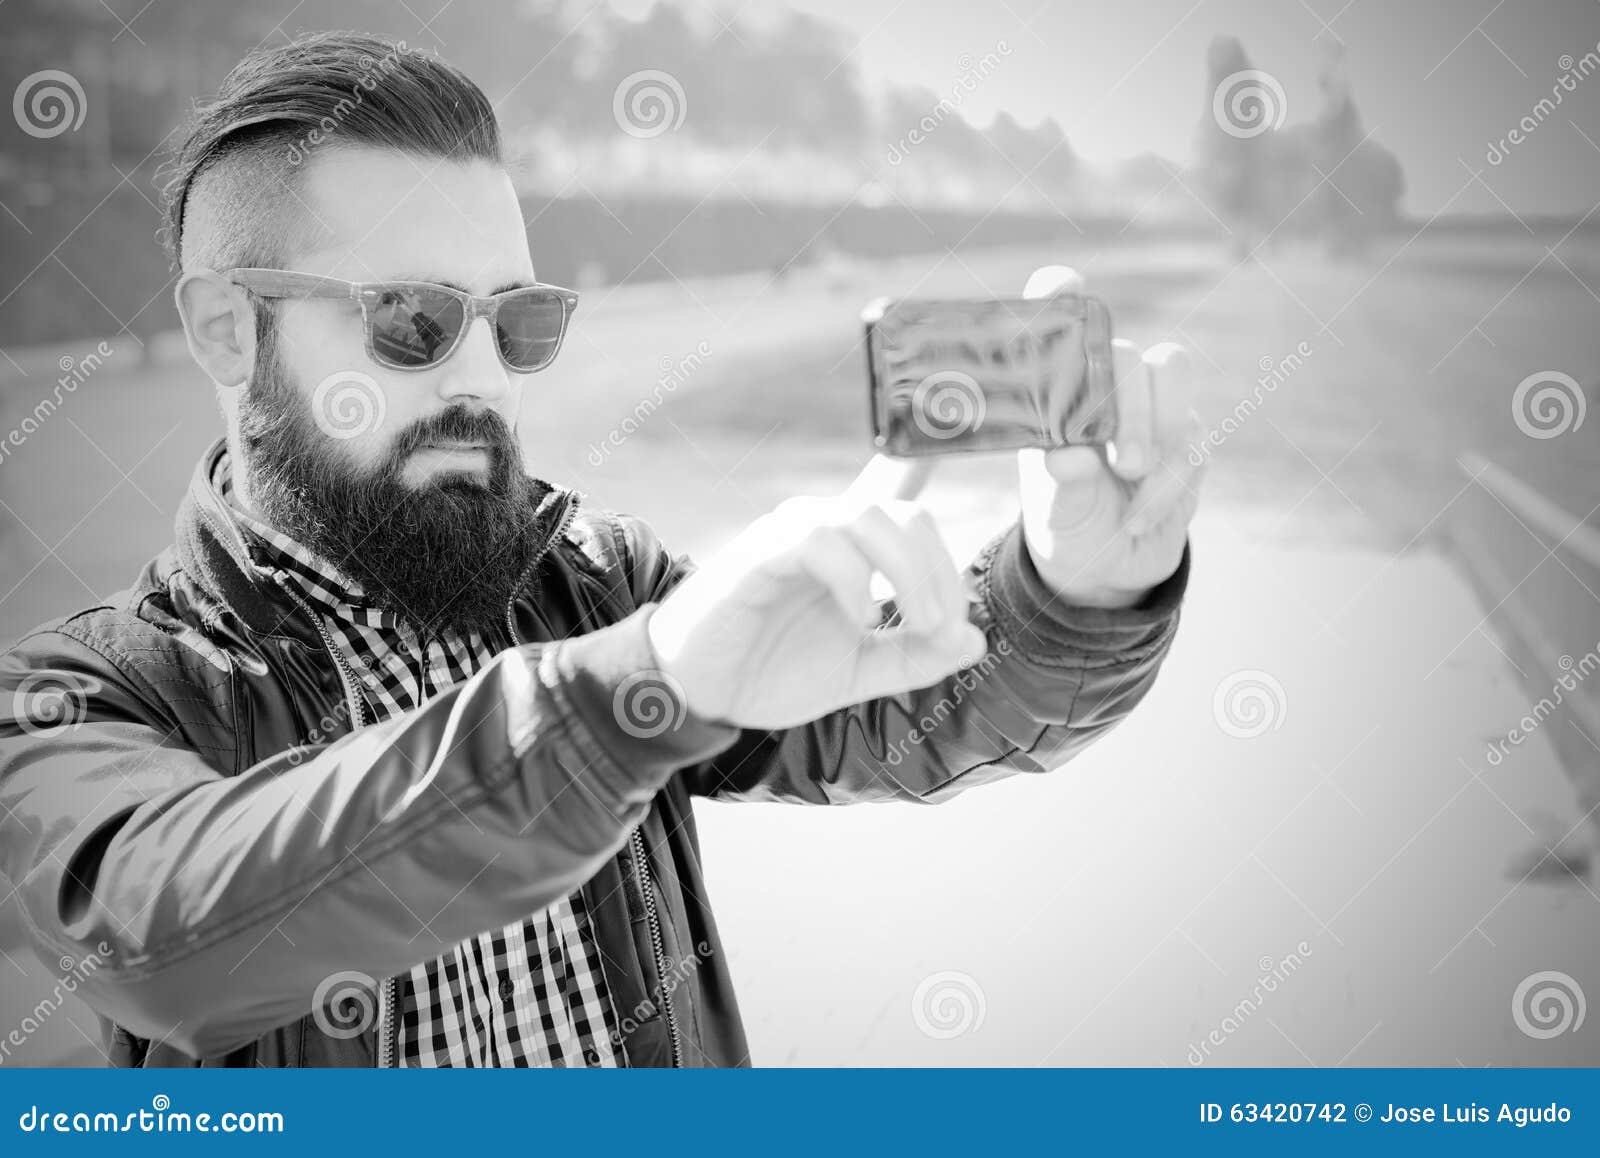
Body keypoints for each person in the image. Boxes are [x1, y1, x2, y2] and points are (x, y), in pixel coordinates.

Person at [0, 32, 1203, 1067]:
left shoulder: (597, 587)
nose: (479, 379)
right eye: (410, 321)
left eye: (516, 321)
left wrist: (1078, 584)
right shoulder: (79, 699)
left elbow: (900, 710)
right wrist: (639, 691)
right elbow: (170, 935)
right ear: (226, 328)